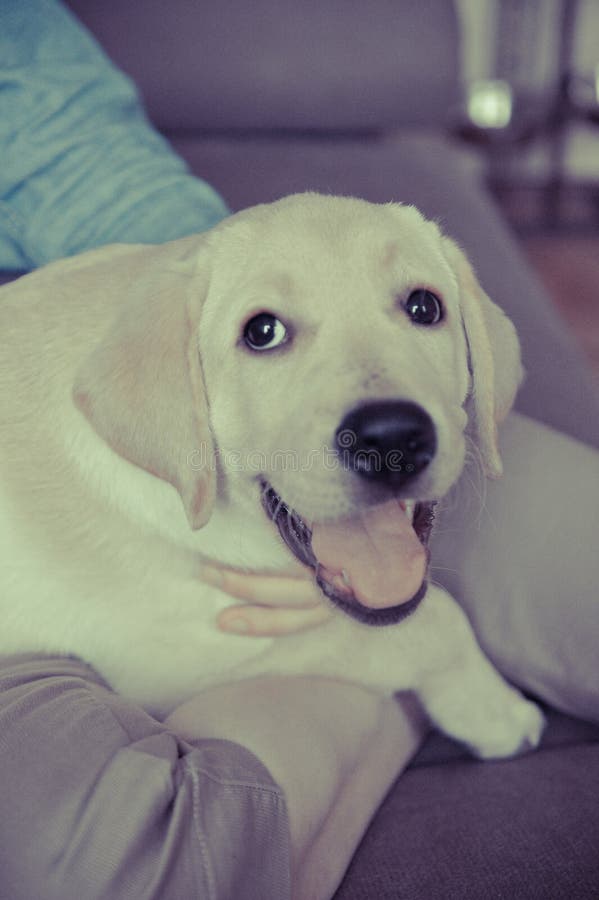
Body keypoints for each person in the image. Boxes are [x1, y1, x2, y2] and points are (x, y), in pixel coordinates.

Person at [1, 3, 598, 899]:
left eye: (422, 309)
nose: (380, 395)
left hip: (176, 344)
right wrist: (418, 646)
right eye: (266, 332)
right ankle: (393, 685)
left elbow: (90, 172)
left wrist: (250, 287)